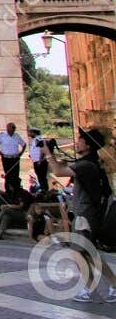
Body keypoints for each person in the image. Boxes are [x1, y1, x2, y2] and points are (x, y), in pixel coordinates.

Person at [46, 128, 116, 302]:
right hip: (88, 214)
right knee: (88, 253)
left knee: (79, 253)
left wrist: (48, 153)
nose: (77, 143)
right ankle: (100, 287)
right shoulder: (91, 163)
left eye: (80, 140)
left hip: (85, 215)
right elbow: (62, 167)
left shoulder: (86, 165)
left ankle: (90, 289)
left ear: (88, 145)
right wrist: (53, 156)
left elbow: (58, 172)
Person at [0, 121, 27, 197]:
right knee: (8, 174)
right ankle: (8, 191)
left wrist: (21, 153)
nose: (13, 129)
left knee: (15, 175)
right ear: (8, 128)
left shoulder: (17, 136)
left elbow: (24, 144)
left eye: (14, 128)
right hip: (6, 158)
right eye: (12, 128)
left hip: (15, 158)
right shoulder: (2, 136)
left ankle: (16, 190)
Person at [28, 128, 51, 192]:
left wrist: (40, 160)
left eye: (30, 132)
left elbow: (42, 149)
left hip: (40, 161)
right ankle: (44, 190)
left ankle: (45, 190)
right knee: (40, 177)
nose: (29, 134)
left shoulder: (38, 139)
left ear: (34, 133)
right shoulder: (35, 140)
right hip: (37, 161)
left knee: (42, 177)